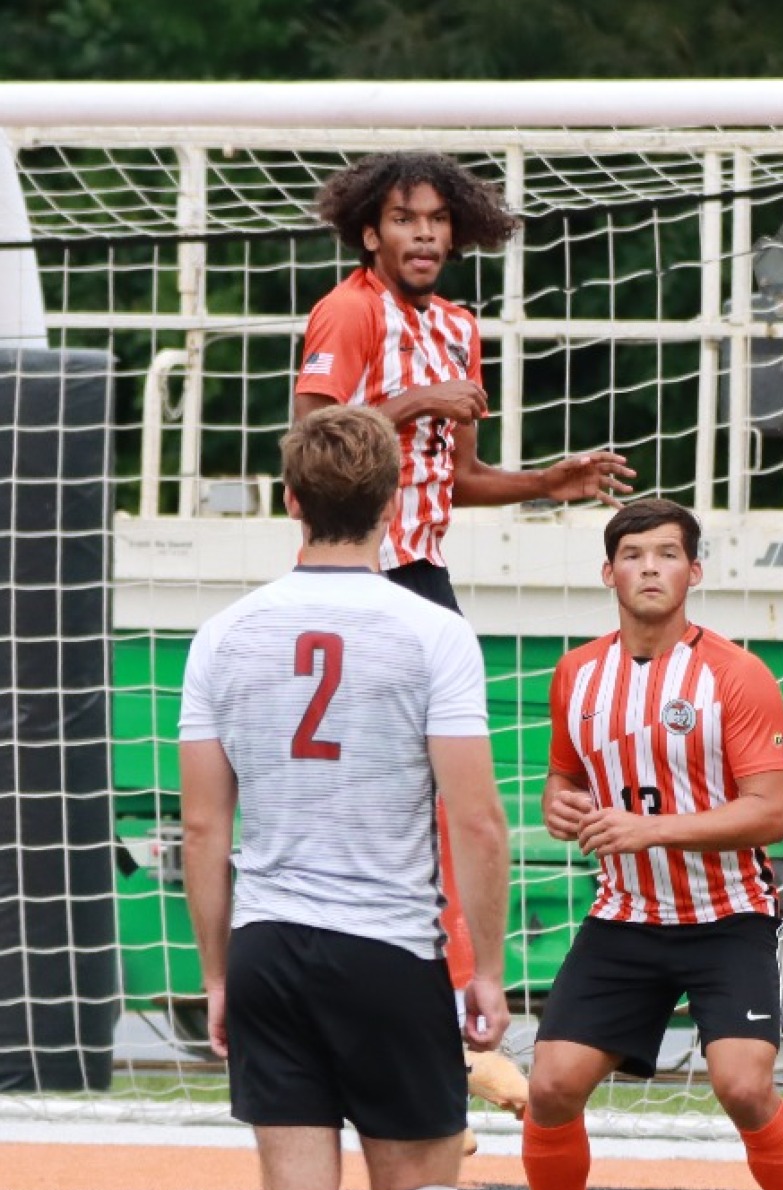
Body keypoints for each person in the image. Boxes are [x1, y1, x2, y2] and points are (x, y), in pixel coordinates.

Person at [179, 406, 513, 1190]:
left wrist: (219, 972)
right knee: (422, 1185)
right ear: (395, 503)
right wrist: (489, 968)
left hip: (270, 944)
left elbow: (202, 823)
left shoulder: (224, 632)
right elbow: (477, 820)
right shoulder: (432, 631)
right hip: (385, 944)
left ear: (291, 501)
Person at [294, 150, 634, 1134]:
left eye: (440, 220)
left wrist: (543, 483)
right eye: (406, 219)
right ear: (371, 233)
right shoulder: (349, 313)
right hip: (353, 579)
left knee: (452, 807)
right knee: (377, 814)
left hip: (425, 580)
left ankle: (447, 1029)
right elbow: (311, 453)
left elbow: (455, 476)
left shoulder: (456, 327)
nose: (426, 235)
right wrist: (410, 406)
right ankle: (422, 1040)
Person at [508, 498, 783, 1190]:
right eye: (635, 555)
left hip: (727, 915)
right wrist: (559, 804)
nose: (652, 567)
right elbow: (564, 779)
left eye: (669, 554)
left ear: (695, 573)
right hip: (625, 917)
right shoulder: (576, 674)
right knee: (551, 1086)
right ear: (610, 573)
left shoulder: (736, 677)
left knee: (742, 1087)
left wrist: (651, 830)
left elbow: (770, 812)